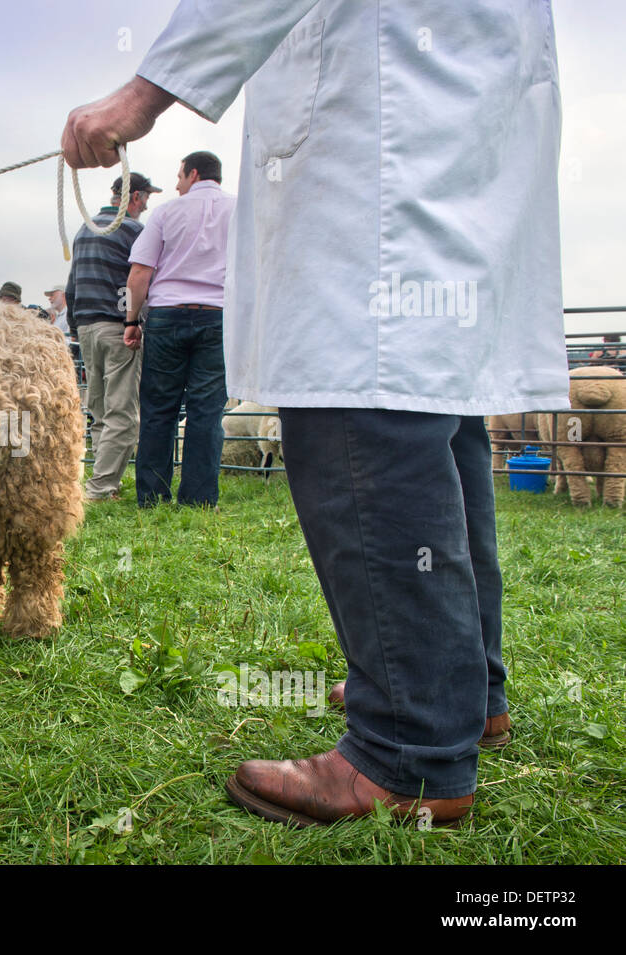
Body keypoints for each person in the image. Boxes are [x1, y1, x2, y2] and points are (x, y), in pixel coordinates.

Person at [62, 0, 566, 827]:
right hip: (453, 96)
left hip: (382, 117)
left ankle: (411, 750)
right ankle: (458, 691)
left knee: (357, 393)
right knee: (433, 400)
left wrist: (143, 93)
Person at [127, 151, 236, 508]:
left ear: (192, 173)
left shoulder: (166, 212)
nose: (176, 185)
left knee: (159, 408)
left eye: (178, 176)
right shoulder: (240, 211)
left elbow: (140, 272)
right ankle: (199, 500)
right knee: (207, 411)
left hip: (168, 315)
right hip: (219, 316)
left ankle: (153, 497)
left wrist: (131, 320)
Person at [65, 173, 158, 501]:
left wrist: (76, 327)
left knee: (101, 409)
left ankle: (101, 482)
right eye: (146, 197)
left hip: (87, 326)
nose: (147, 205)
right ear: (135, 196)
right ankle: (101, 489)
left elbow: (72, 285)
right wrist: (137, 319)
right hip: (119, 326)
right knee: (122, 412)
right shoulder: (133, 230)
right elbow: (143, 275)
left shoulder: (84, 228)